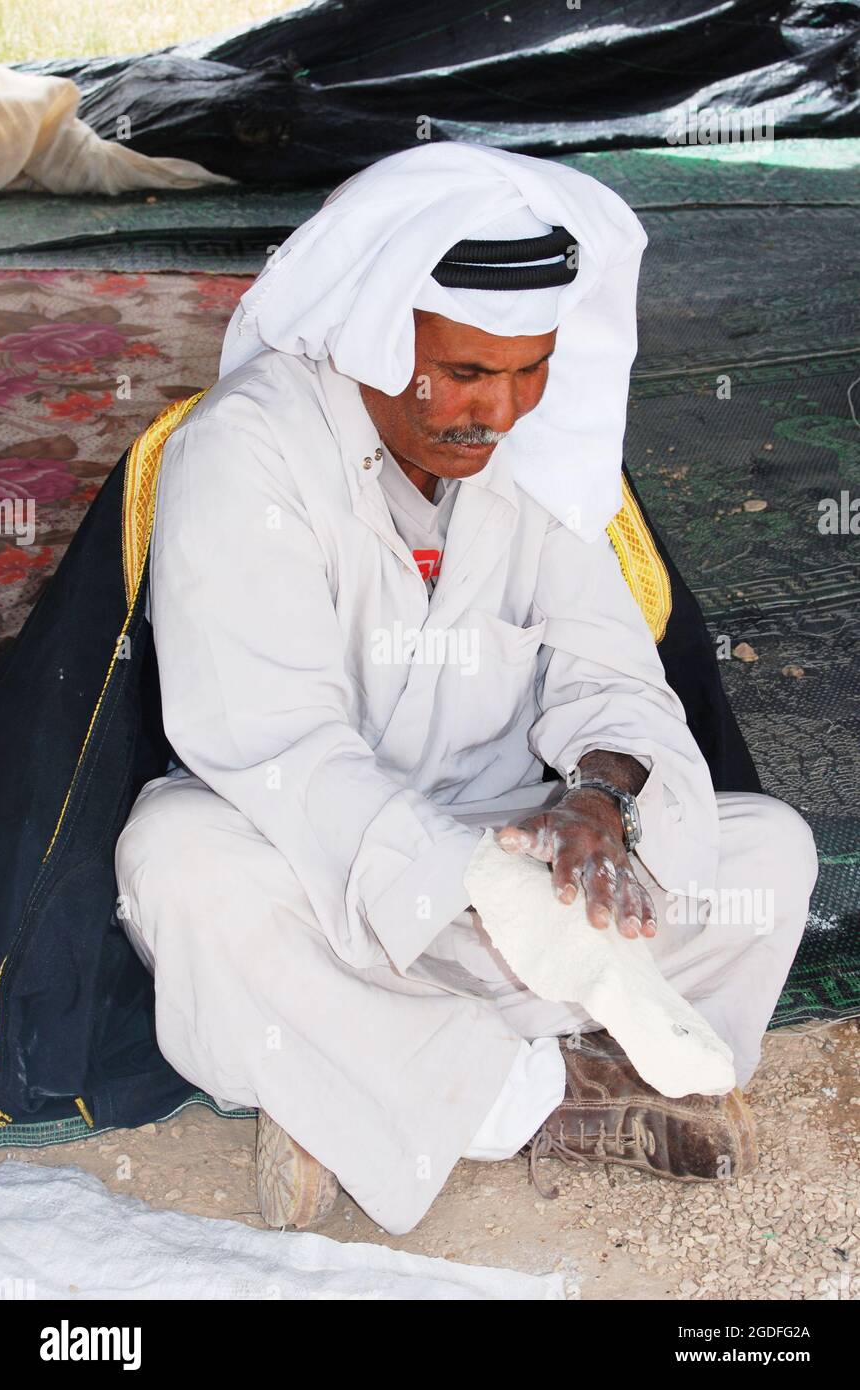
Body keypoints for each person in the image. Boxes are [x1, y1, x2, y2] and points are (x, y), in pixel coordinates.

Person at [113, 142, 818, 1236]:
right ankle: (550, 1095)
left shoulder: (537, 456)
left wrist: (601, 799)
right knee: (177, 862)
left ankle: (365, 1079)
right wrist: (463, 878)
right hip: (320, 869)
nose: (494, 411)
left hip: (510, 857)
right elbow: (275, 740)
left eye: (529, 369)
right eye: (464, 371)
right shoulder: (246, 452)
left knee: (770, 853)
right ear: (377, 331)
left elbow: (613, 679)